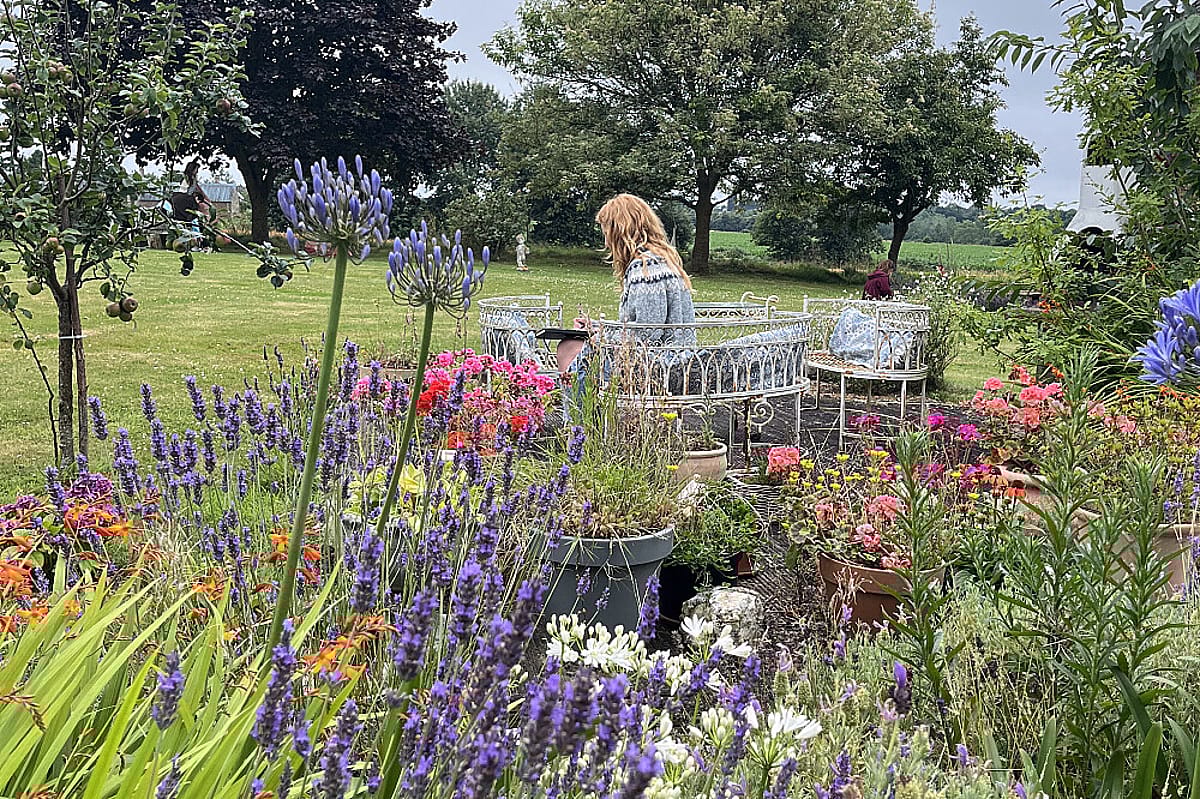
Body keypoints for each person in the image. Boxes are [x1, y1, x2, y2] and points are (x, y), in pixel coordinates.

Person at [595, 193, 696, 345]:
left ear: (621, 233)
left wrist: (600, 336)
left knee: (571, 346)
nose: (606, 243)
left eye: (607, 235)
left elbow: (646, 334)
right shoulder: (661, 261)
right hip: (678, 354)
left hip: (661, 358)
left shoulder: (646, 270)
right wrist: (598, 328)